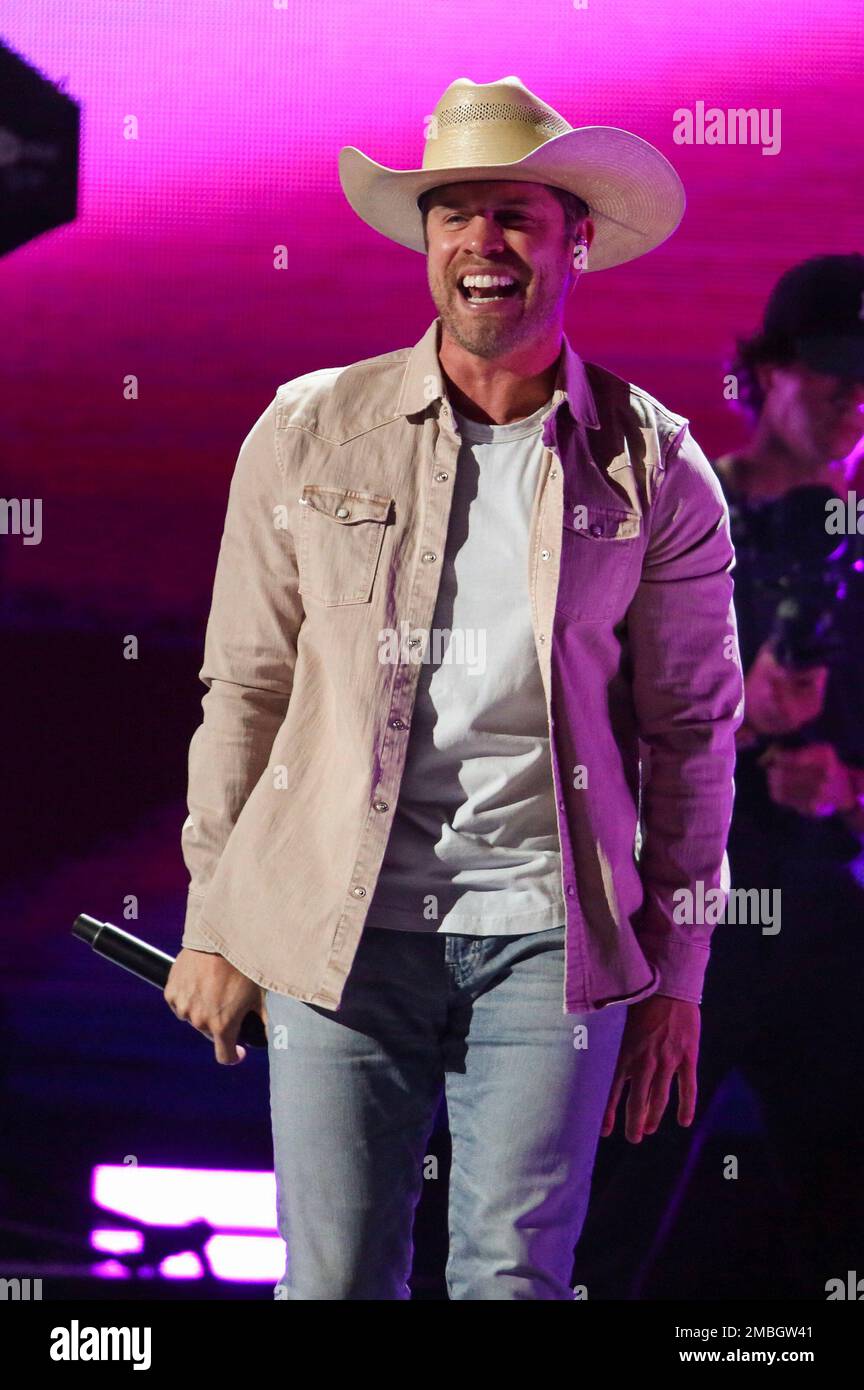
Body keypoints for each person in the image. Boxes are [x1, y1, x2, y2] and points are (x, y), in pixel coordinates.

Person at [164, 75, 743, 1301]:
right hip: (337, 925)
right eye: (455, 214)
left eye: (517, 216)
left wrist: (679, 971)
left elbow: (694, 732)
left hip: (551, 936)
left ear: (577, 240)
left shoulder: (655, 463)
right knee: (332, 1282)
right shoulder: (309, 430)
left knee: (513, 1280)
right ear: (427, 241)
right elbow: (246, 688)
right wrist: (215, 918)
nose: (485, 241)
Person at [701, 255, 864, 1293]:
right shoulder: (681, 519)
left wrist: (847, 789)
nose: (855, 397)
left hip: (831, 933)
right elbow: (570, 732)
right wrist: (738, 725)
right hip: (682, 927)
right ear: (767, 371)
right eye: (835, 370)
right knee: (600, 1212)